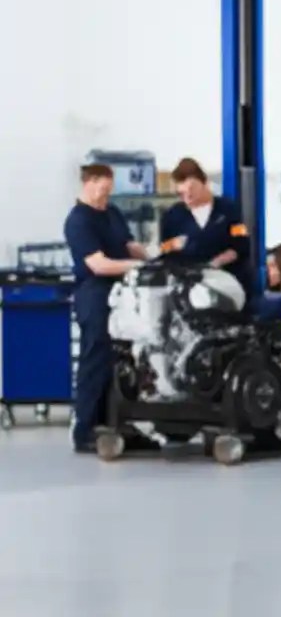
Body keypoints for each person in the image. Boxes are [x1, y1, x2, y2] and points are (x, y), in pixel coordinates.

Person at [62, 164, 153, 453]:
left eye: (110, 191)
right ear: (88, 183)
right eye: (102, 189)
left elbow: (129, 245)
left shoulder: (111, 213)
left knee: (129, 358)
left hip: (126, 293)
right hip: (96, 294)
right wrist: (136, 266)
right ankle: (85, 428)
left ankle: (124, 422)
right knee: (96, 356)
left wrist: (154, 256)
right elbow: (98, 264)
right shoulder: (78, 221)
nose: (106, 196)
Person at [159, 157, 253, 298]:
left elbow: (241, 245)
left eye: (191, 189)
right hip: (188, 290)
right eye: (182, 193)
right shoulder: (172, 216)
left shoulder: (228, 210)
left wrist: (215, 264)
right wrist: (175, 244)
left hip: (227, 286)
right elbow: (163, 250)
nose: (188, 196)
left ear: (205, 183)